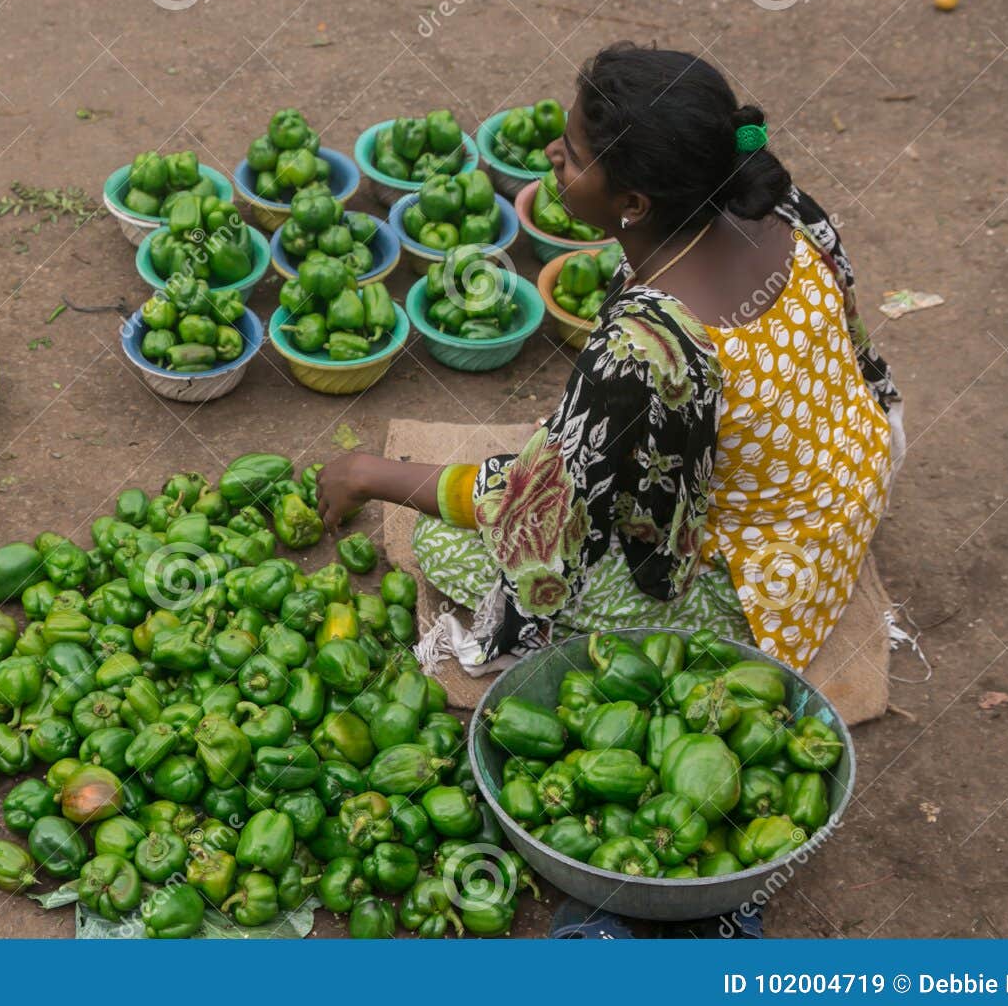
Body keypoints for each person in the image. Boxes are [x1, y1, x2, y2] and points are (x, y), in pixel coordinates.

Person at [315, 43, 903, 673]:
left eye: (575, 155)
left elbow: (538, 523)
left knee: (444, 540)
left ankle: (730, 626)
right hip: (849, 482)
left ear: (634, 204)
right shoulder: (777, 205)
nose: (552, 155)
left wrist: (370, 475)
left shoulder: (647, 348)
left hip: (767, 586)